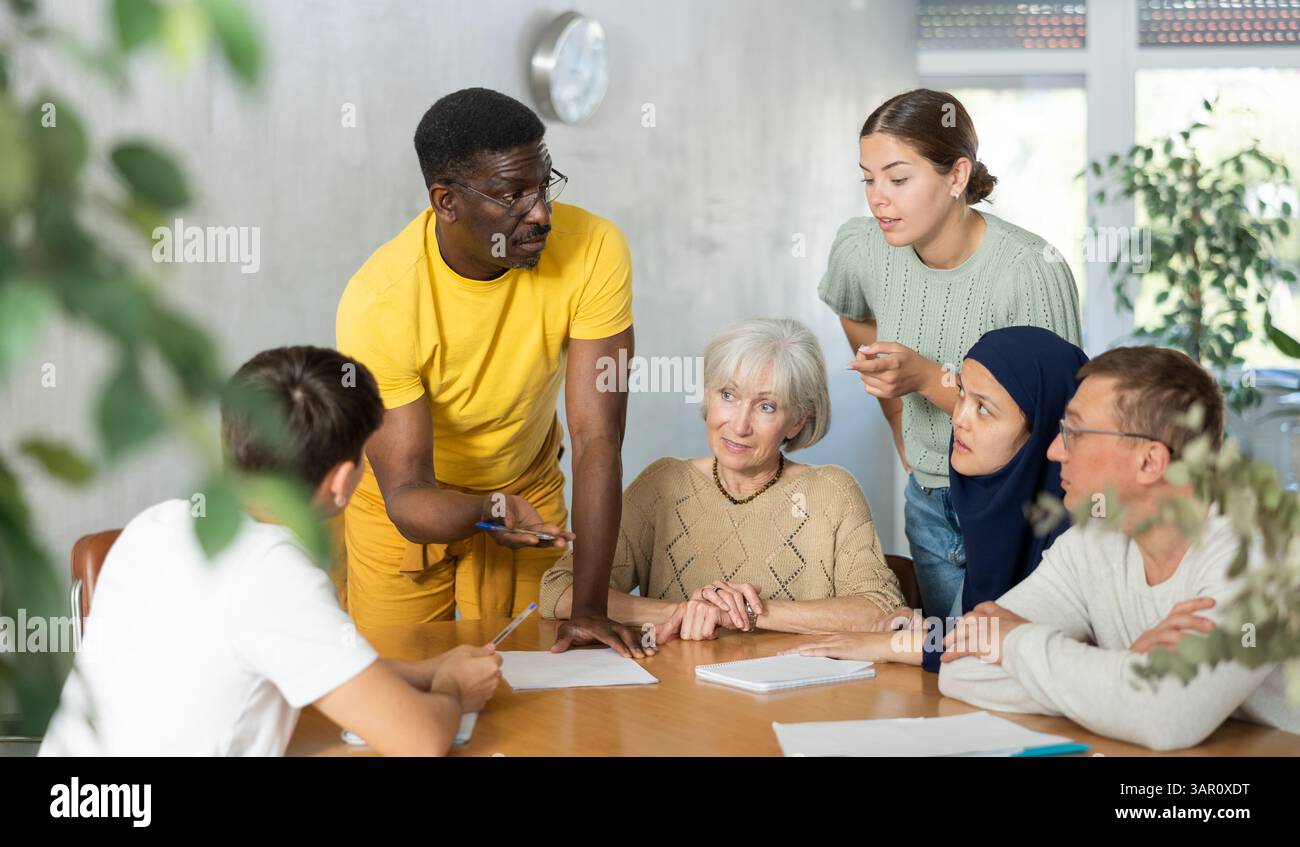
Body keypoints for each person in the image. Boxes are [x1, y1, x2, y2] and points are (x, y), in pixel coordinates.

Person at [40, 347, 501, 756]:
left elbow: (294, 651)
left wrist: (424, 672)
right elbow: (419, 741)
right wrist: (452, 688)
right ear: (341, 483)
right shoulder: (272, 572)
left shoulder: (156, 525)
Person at [336, 87, 644, 656]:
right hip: (402, 505)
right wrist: (481, 510)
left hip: (526, 484)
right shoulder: (379, 301)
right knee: (400, 695)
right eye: (512, 196)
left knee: (540, 682)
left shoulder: (596, 249)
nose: (542, 214)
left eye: (544, 185)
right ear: (446, 202)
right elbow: (407, 491)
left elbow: (599, 438)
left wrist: (590, 607)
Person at [938, 346, 1300, 750]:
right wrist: (1127, 670)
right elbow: (961, 668)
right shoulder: (1090, 544)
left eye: (1073, 432)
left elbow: (1163, 717)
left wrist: (1014, 642)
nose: (1054, 451)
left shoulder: (1258, 556)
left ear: (1149, 462)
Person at [818, 88, 1082, 622]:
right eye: (868, 178)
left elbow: (1052, 422)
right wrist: (898, 419)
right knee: (946, 686)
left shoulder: (1030, 269)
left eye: (898, 178)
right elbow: (853, 310)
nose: (877, 198)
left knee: (998, 669)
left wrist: (922, 379)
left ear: (957, 176)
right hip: (930, 499)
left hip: (1019, 509)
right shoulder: (864, 249)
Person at [539, 319, 907, 644]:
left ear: (796, 421)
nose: (739, 425)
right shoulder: (664, 484)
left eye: (766, 406)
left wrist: (749, 612)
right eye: (728, 396)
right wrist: (683, 612)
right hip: (679, 700)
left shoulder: (832, 493)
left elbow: (881, 612)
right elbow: (558, 590)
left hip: (796, 704)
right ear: (708, 396)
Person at [785, 326, 1087, 668]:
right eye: (960, 394)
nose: (958, 418)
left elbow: (1022, 649)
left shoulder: (1082, 536)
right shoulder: (990, 504)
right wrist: (925, 631)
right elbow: (973, 634)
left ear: (1043, 428)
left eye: (984, 409)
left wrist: (896, 645)